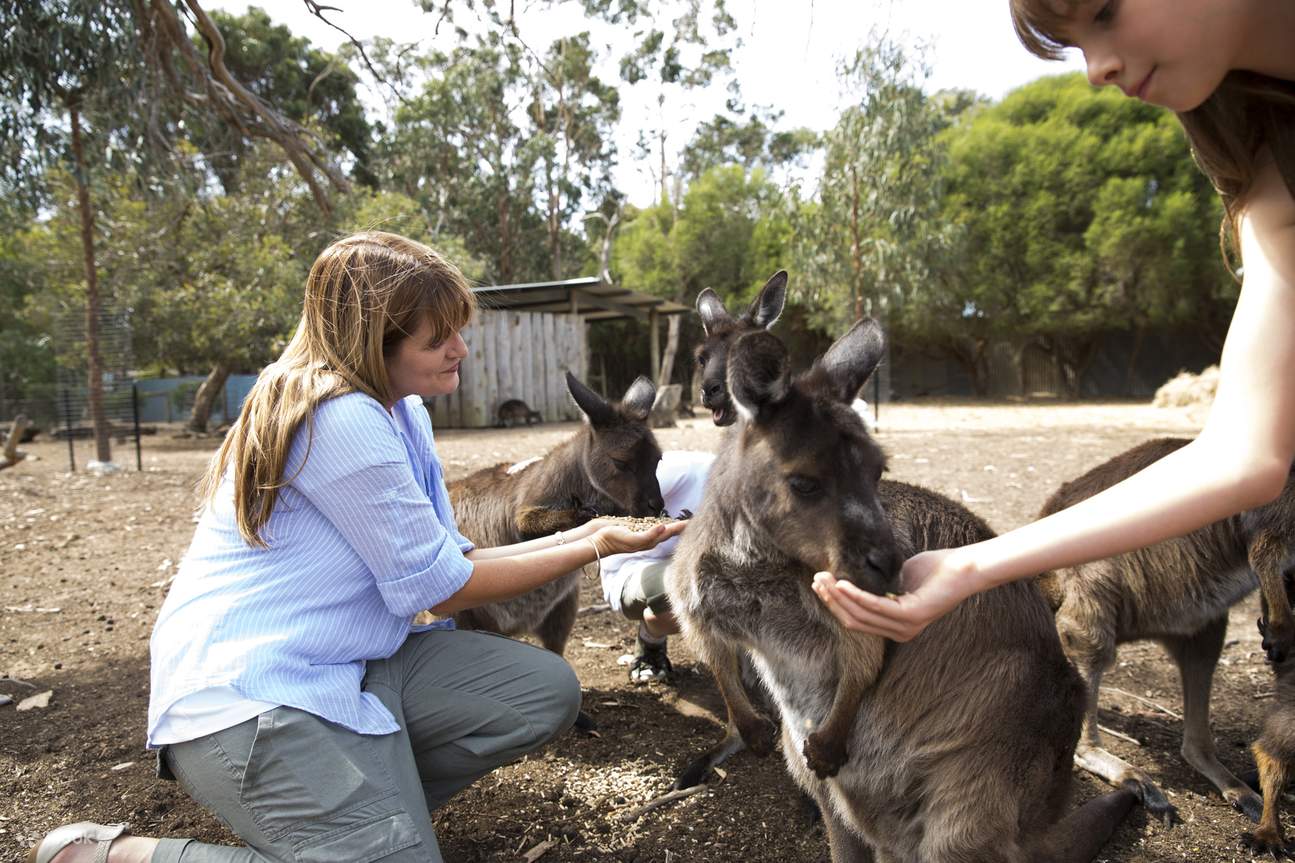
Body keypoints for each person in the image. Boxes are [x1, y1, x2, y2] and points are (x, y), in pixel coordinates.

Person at [28, 231, 685, 863]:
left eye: (460, 330)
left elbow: (451, 560)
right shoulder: (341, 417)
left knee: (540, 690)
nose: (460, 348)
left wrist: (591, 535)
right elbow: (443, 589)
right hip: (255, 694)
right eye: (438, 338)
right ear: (375, 342)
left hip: (350, 662)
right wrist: (590, 542)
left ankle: (360, 832)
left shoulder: (402, 411)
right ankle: (127, 854)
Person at [814, 0, 1295, 642]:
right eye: (1072, 46)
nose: (1095, 70)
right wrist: (970, 566)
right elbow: (1244, 453)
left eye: (1104, 11)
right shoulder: (1270, 177)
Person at [597, 450, 714, 683]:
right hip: (632, 563)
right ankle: (651, 643)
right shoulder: (687, 472)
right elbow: (600, 487)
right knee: (696, 585)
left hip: (695, 564)